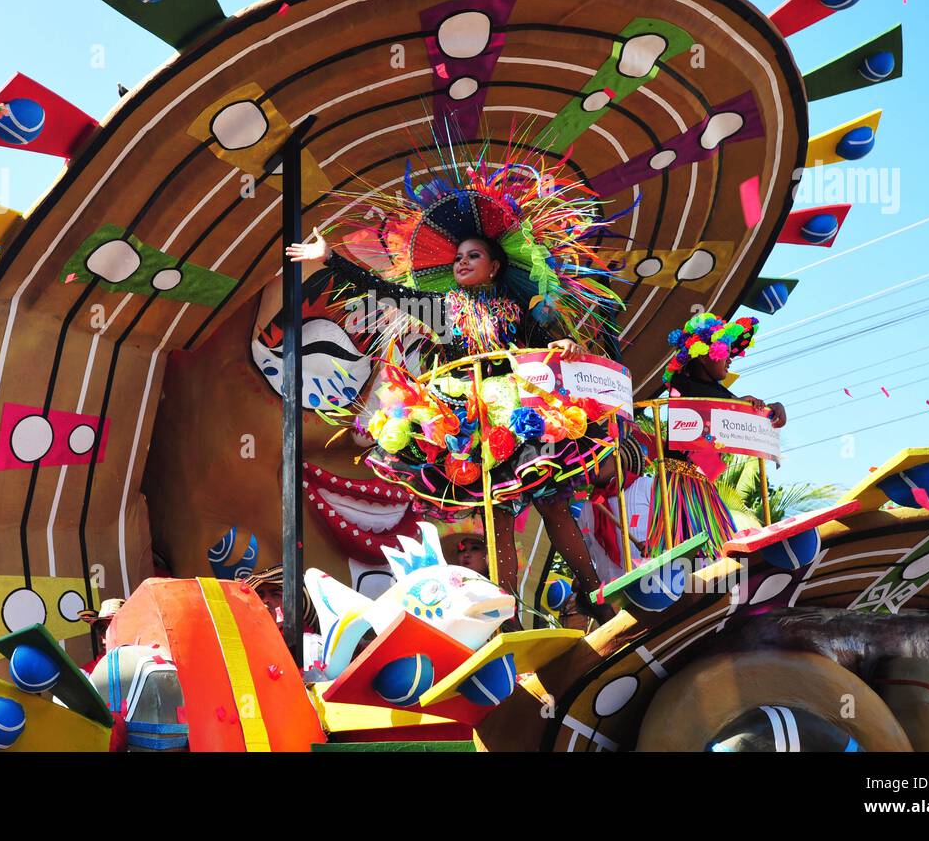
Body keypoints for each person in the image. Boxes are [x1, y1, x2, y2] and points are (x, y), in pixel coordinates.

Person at [287, 158, 639, 626]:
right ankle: (507, 614)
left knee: (553, 503)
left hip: (527, 415)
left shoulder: (521, 305)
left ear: (495, 265)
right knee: (495, 517)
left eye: (473, 256)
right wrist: (330, 258)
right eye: (457, 258)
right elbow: (378, 287)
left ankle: (595, 592)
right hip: (471, 421)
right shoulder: (441, 309)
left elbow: (546, 343)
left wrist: (565, 344)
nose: (462, 262)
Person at [648, 312, 787, 557]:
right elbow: (707, 400)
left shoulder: (715, 391)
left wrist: (773, 408)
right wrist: (738, 403)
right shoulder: (682, 383)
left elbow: (735, 406)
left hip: (702, 482)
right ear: (703, 355)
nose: (731, 359)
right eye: (726, 352)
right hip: (678, 483)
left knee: (715, 543)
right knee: (682, 545)